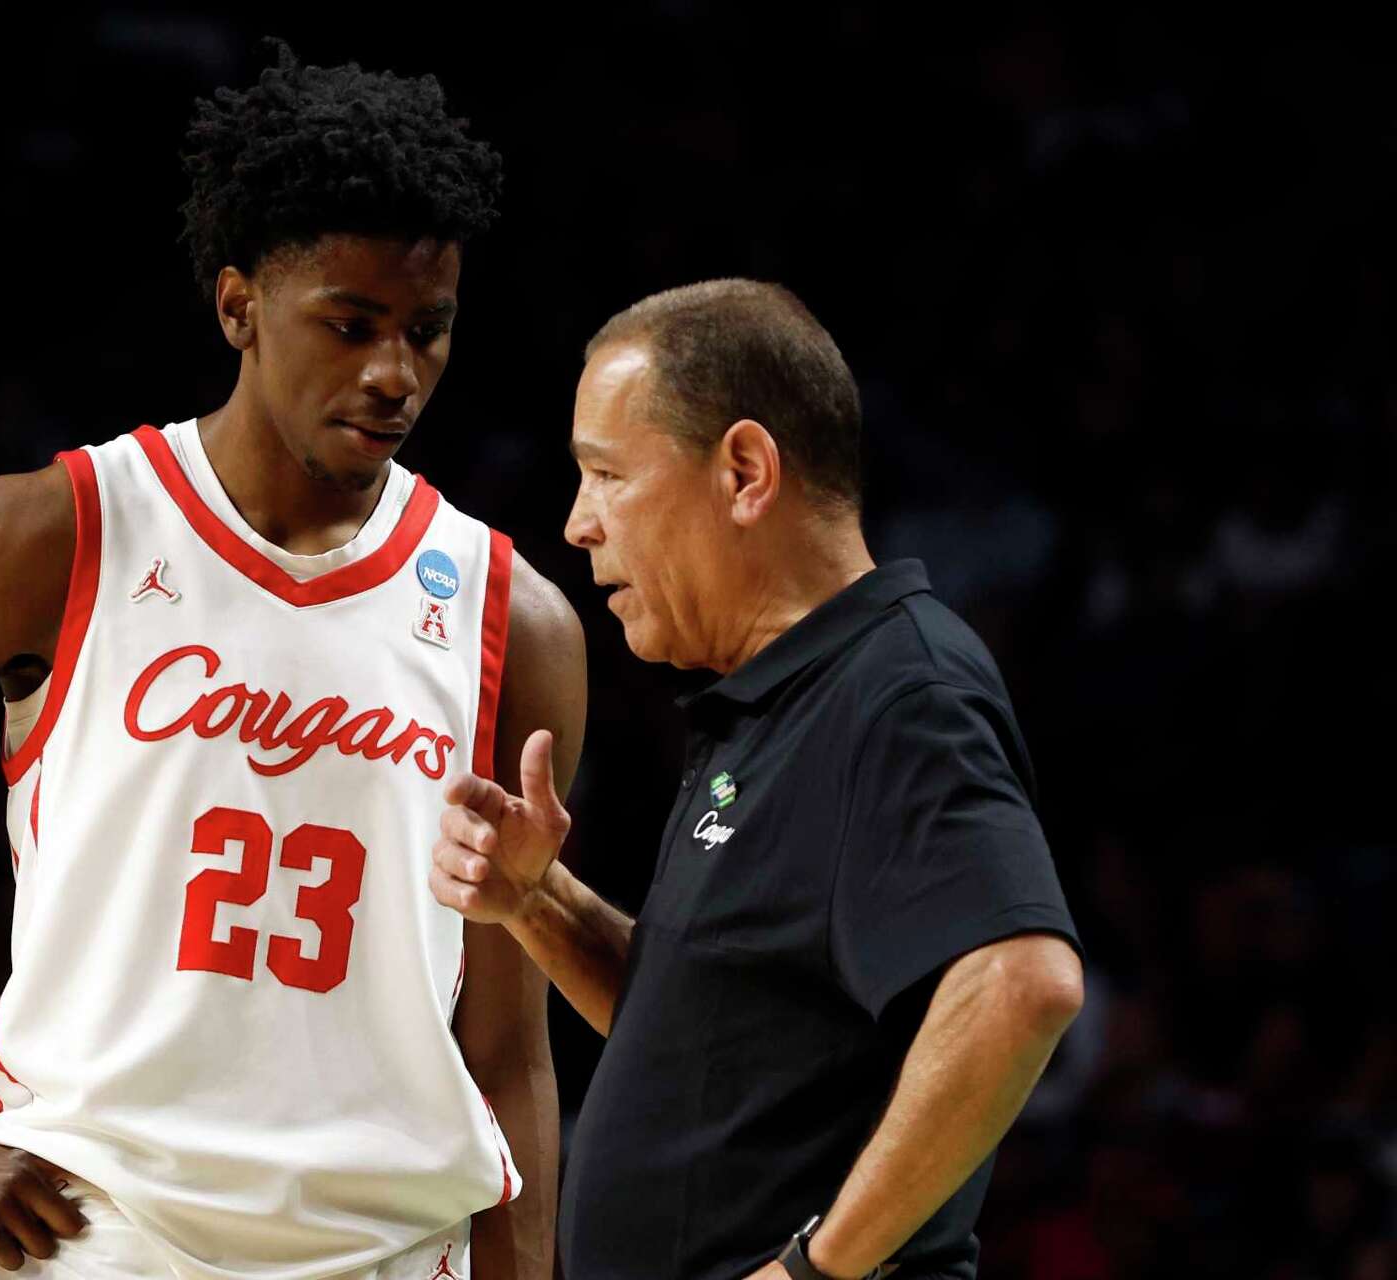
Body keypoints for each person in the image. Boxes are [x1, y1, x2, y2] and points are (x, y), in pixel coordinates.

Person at [0, 44, 584, 1280]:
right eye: (351, 324)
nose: (394, 372)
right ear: (238, 306)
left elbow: (508, 1049)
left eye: (428, 330)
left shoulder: (511, 617)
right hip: (93, 1239)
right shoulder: (46, 537)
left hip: (385, 1249)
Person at [430, 280, 1084, 1279]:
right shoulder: (781, 699)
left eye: (606, 473)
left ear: (744, 472)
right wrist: (538, 900)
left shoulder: (899, 690)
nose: (578, 522)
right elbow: (720, 1046)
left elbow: (1022, 981)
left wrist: (811, 1270)